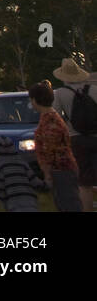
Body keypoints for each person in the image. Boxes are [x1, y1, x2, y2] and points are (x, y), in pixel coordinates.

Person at [51, 57, 97, 212]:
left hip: (76, 139)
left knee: (85, 183)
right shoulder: (94, 89)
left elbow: (56, 118)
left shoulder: (60, 93)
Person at [29, 81, 83, 212]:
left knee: (69, 205)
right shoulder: (48, 117)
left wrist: (47, 173)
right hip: (61, 170)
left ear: (35, 100)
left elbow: (50, 149)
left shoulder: (51, 120)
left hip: (61, 170)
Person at [0, 136, 40, 212]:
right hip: (31, 202)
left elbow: (0, 189)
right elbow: (35, 181)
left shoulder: (0, 166)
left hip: (14, 204)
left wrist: (4, 204)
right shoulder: (22, 162)